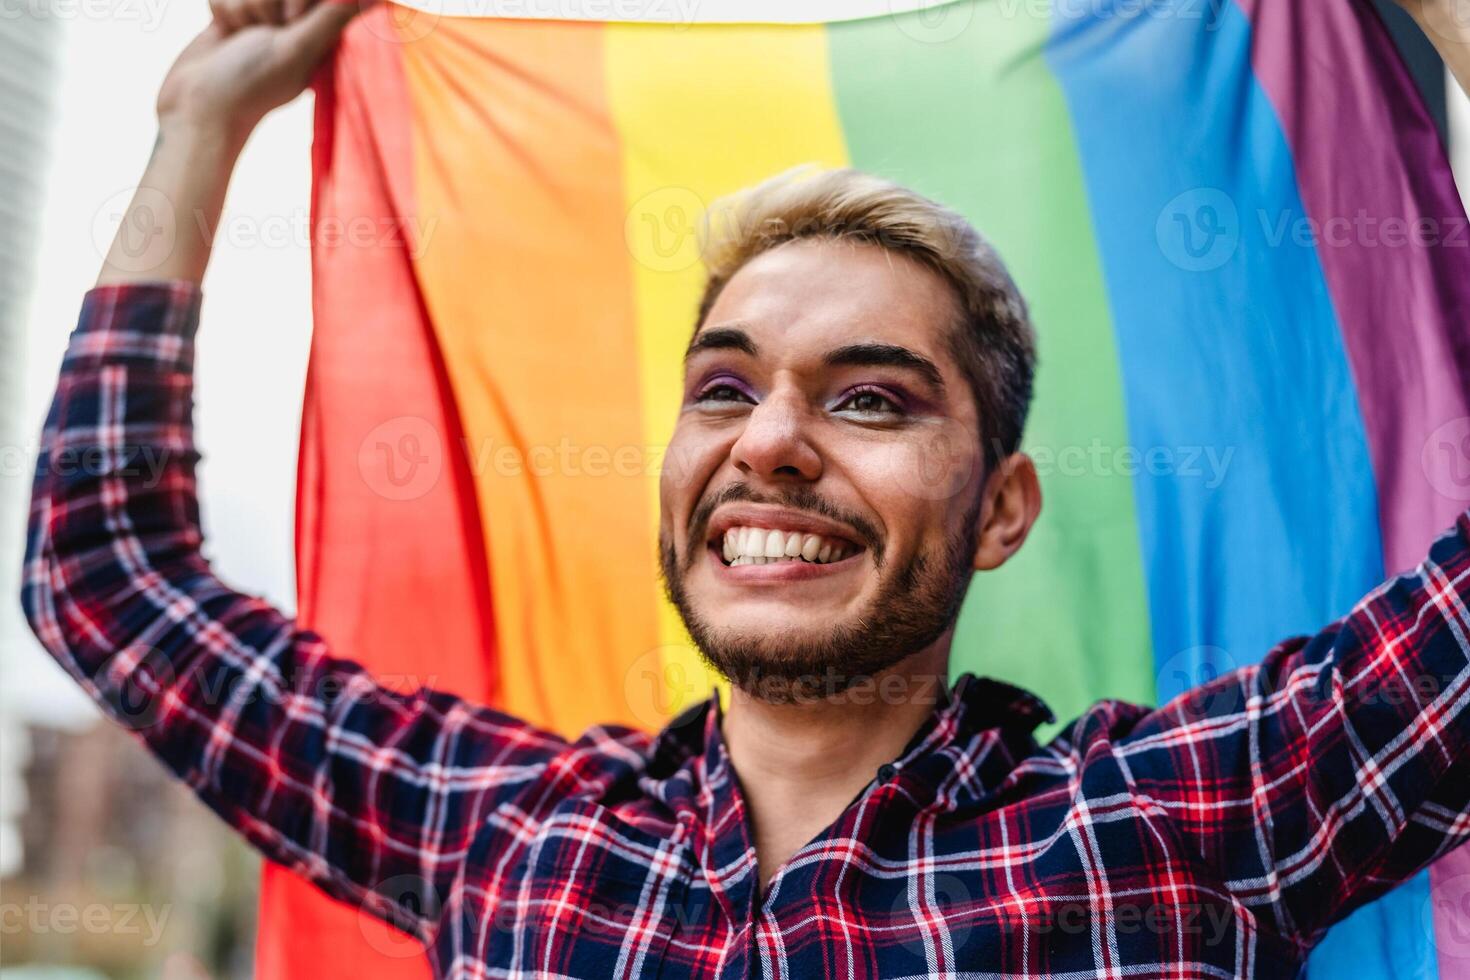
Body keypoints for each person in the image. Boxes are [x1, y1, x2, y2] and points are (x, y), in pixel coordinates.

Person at [20, 0, 1470, 975]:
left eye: (869, 398)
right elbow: (108, 583)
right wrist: (201, 126)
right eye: (722, 386)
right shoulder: (513, 828)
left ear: (1003, 505)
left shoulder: (1178, 818)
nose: (767, 441)